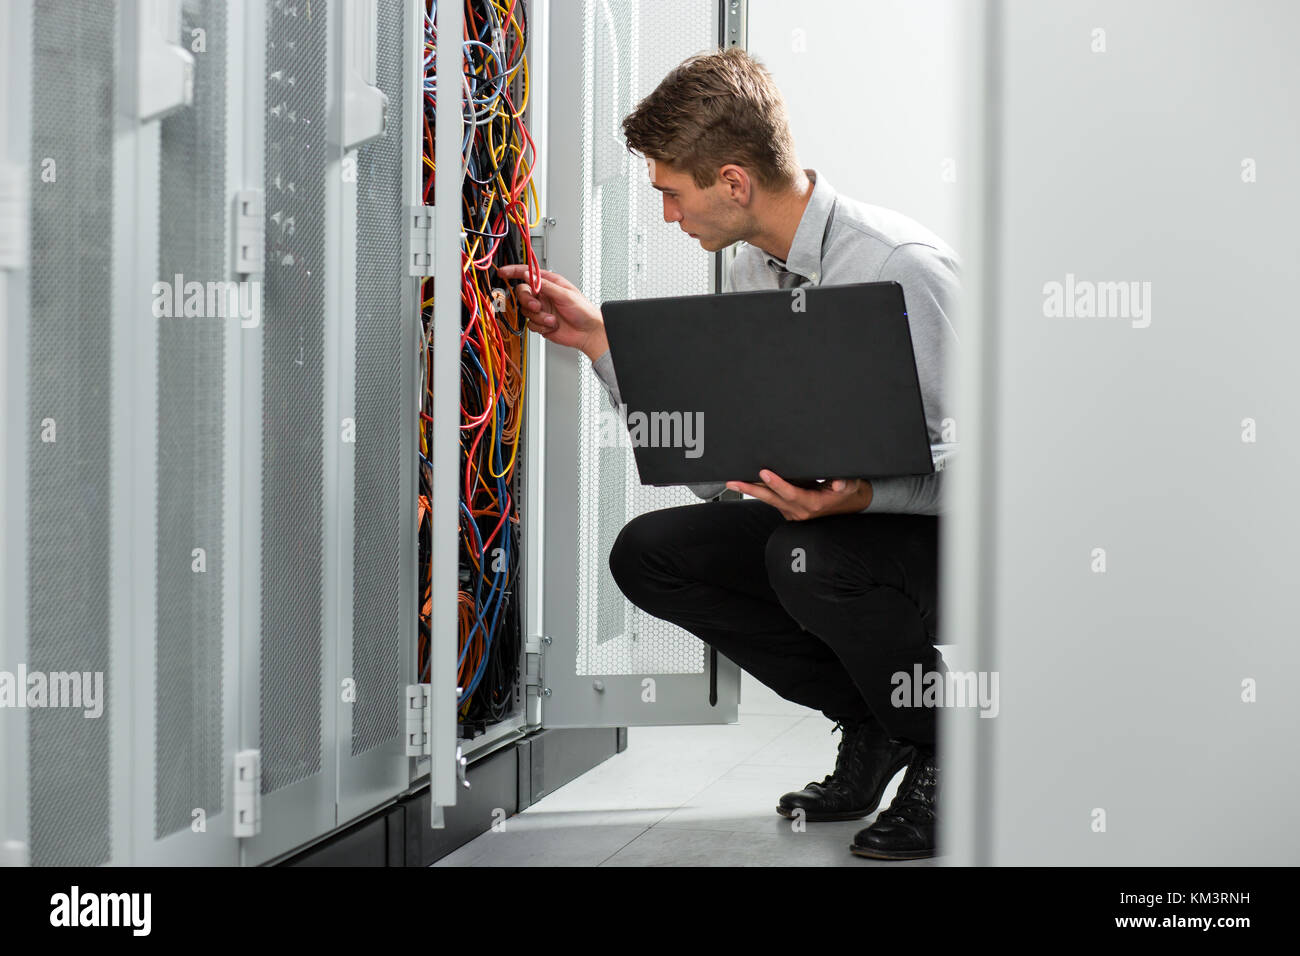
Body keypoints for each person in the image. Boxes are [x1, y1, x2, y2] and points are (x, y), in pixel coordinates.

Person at [498, 46, 958, 861]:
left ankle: (944, 748)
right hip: (827, 530)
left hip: (940, 536)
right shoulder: (755, 269)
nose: (670, 217)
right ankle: (877, 721)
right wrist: (604, 346)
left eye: (673, 195)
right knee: (651, 554)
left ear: (734, 182)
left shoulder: (900, 268)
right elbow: (719, 475)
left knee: (806, 555)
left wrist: (860, 500)